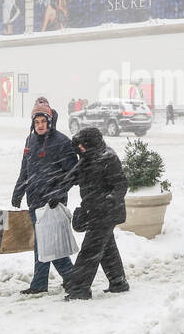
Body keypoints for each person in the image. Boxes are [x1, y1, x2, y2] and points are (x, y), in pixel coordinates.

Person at [50, 128, 128, 301]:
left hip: (106, 212)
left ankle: (79, 289)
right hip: (94, 210)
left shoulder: (108, 158)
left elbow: (121, 184)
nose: (80, 149)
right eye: (78, 146)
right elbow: (72, 177)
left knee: (90, 251)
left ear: (91, 144)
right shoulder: (87, 159)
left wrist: (110, 199)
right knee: (107, 249)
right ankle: (118, 281)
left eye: (82, 146)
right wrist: (58, 193)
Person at [11, 97, 77, 295]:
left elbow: (73, 173)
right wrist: (18, 190)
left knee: (48, 245)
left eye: (43, 122)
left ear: (50, 121)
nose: (40, 125)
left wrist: (59, 192)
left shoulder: (62, 142)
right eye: (36, 122)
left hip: (52, 202)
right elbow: (25, 168)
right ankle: (67, 278)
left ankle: (69, 278)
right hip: (35, 200)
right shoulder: (30, 140)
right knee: (45, 245)